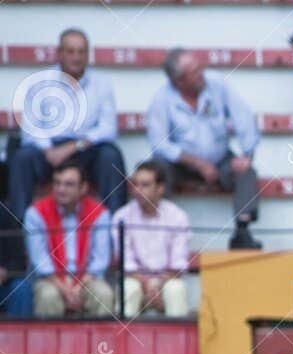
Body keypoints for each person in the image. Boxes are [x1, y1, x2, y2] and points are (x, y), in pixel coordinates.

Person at [146, 48, 262, 250]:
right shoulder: (161, 99)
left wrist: (247, 154)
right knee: (156, 171)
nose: (202, 74)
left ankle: (242, 231)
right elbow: (159, 143)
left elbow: (243, 117)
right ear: (178, 81)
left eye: (200, 67)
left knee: (246, 172)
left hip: (220, 159)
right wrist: (197, 163)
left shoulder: (217, 83)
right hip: (180, 164)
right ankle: (156, 231)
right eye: (194, 72)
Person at [7, 28, 126, 219]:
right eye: (70, 51)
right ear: (59, 53)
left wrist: (74, 147)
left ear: (88, 55)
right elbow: (30, 128)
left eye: (81, 52)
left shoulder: (102, 83)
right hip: (49, 149)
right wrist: (48, 150)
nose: (76, 57)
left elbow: (108, 129)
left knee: (111, 156)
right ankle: (20, 234)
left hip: (86, 149)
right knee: (22, 159)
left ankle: (116, 230)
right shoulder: (41, 81)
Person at [25, 163, 113, 318]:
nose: (61, 189)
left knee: (103, 293)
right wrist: (66, 290)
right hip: (50, 279)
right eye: (57, 183)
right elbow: (40, 262)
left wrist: (77, 288)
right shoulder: (35, 213)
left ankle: (101, 343)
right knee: (48, 296)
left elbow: (99, 261)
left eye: (69, 184)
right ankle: (50, 343)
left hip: (87, 279)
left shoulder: (100, 213)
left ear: (83, 188)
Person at [111, 161, 191, 317]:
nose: (137, 190)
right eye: (135, 184)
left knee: (176, 289)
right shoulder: (122, 216)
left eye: (145, 185)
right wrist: (148, 285)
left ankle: (175, 341)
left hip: (166, 281)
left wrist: (157, 285)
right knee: (128, 289)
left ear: (160, 188)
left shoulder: (177, 216)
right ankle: (122, 341)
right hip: (135, 280)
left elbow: (177, 264)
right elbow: (126, 264)